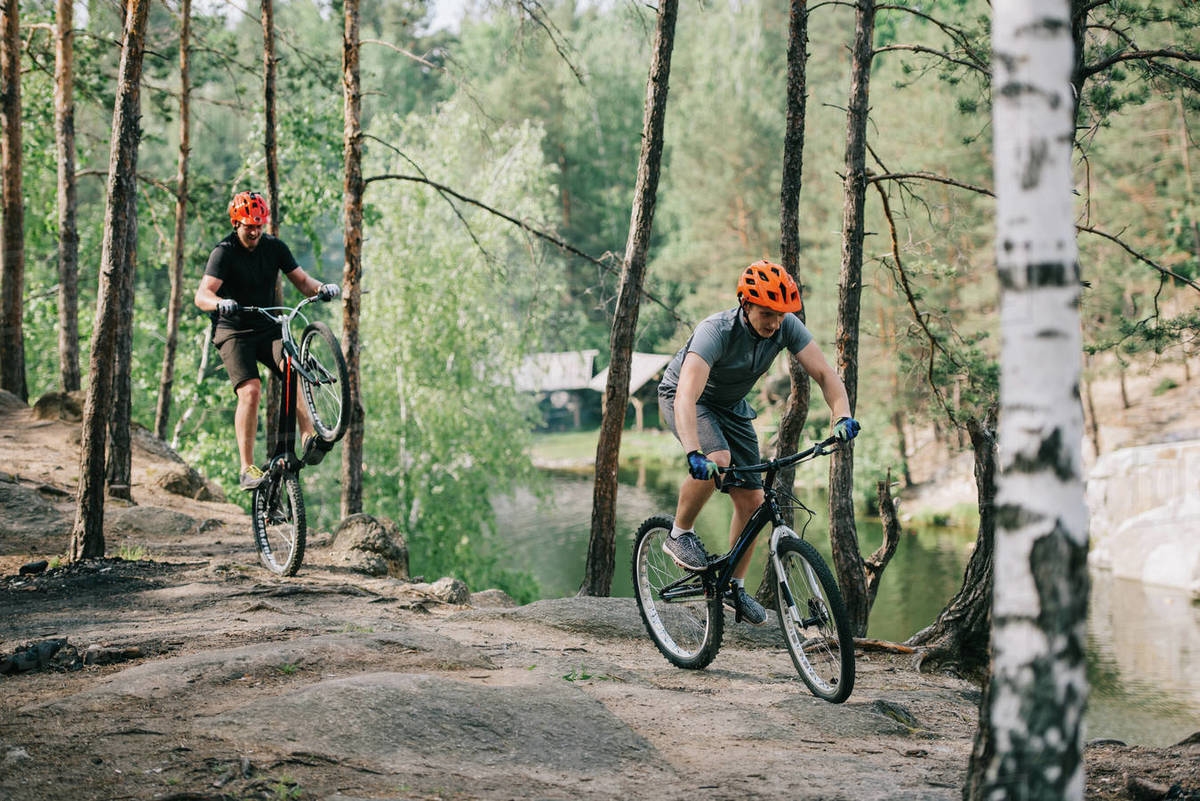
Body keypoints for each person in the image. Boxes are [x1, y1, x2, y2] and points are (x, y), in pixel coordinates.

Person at [657, 259, 861, 625]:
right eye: (767, 313)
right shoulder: (714, 331)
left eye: (782, 315)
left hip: (731, 407)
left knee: (752, 499)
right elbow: (686, 396)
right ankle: (679, 532)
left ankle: (734, 587)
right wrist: (693, 452)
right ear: (745, 304)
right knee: (716, 457)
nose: (775, 322)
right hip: (686, 398)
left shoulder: (786, 326)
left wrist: (841, 414)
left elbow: (825, 374)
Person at [194, 191, 342, 491]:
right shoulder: (224, 252)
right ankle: (246, 468)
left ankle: (307, 436)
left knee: (292, 366)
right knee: (251, 390)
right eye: (248, 225)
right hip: (233, 329)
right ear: (236, 223)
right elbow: (202, 295)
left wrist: (322, 288)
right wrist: (219, 303)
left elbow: (302, 282)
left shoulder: (274, 247)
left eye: (259, 225)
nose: (254, 231)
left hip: (266, 326)